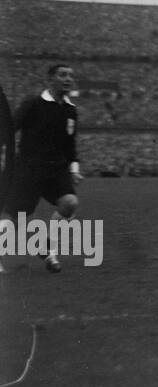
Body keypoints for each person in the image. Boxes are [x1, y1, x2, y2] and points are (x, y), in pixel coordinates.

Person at [6, 64, 82, 272]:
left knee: (70, 203)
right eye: (62, 75)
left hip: (56, 170)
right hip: (28, 169)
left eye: (70, 76)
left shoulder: (71, 110)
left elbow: (70, 144)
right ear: (50, 79)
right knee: (18, 218)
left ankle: (47, 248)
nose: (68, 79)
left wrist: (74, 168)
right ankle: (45, 251)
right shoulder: (33, 104)